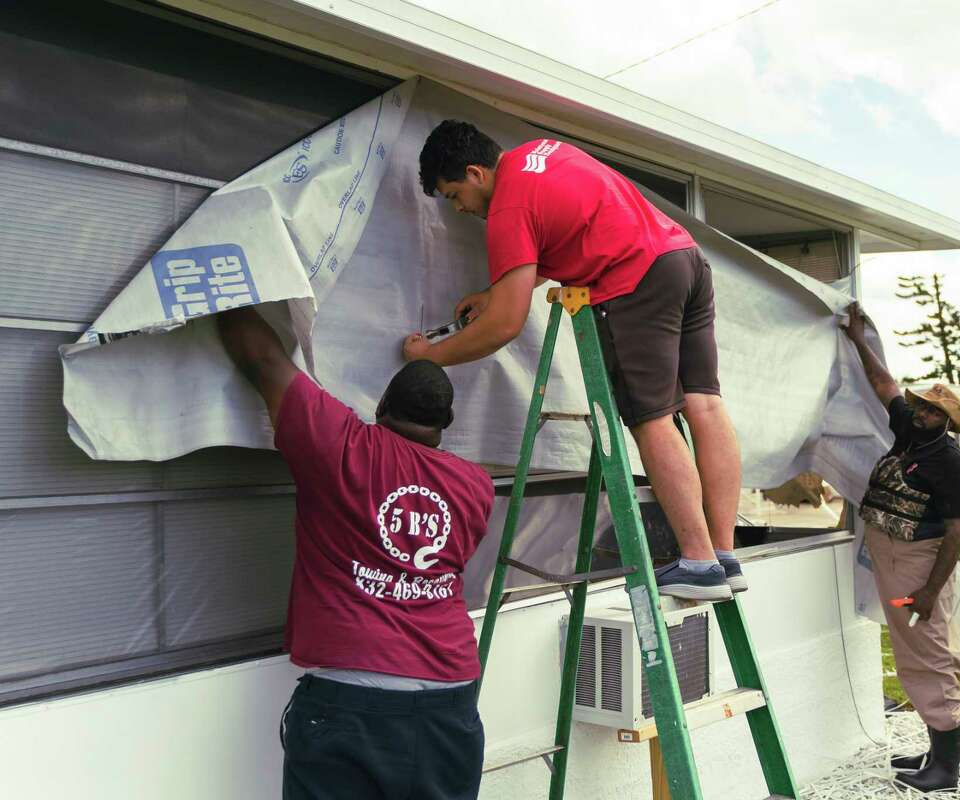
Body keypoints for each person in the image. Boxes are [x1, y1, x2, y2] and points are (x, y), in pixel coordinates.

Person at [403, 120, 744, 602]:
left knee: (652, 419)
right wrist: (493, 291)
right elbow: (569, 229)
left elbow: (505, 325)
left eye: (455, 194)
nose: (459, 208)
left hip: (635, 280)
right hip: (682, 258)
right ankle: (724, 556)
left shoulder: (508, 207)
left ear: (476, 173)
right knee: (704, 404)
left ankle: (698, 563)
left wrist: (430, 358)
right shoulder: (541, 154)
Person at [214, 306, 494, 800]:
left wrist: (230, 291)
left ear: (381, 402)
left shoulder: (340, 445)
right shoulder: (476, 487)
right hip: (449, 701)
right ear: (446, 423)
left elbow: (261, 358)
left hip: (351, 703)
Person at [841, 303, 960, 793]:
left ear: (948, 420)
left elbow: (957, 530)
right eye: (920, 405)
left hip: (919, 566)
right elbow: (885, 386)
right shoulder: (910, 431)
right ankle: (935, 750)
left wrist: (927, 592)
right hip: (894, 557)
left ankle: (945, 770)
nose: (921, 412)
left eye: (932, 410)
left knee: (929, 653)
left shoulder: (948, 462)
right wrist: (859, 339)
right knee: (912, 651)